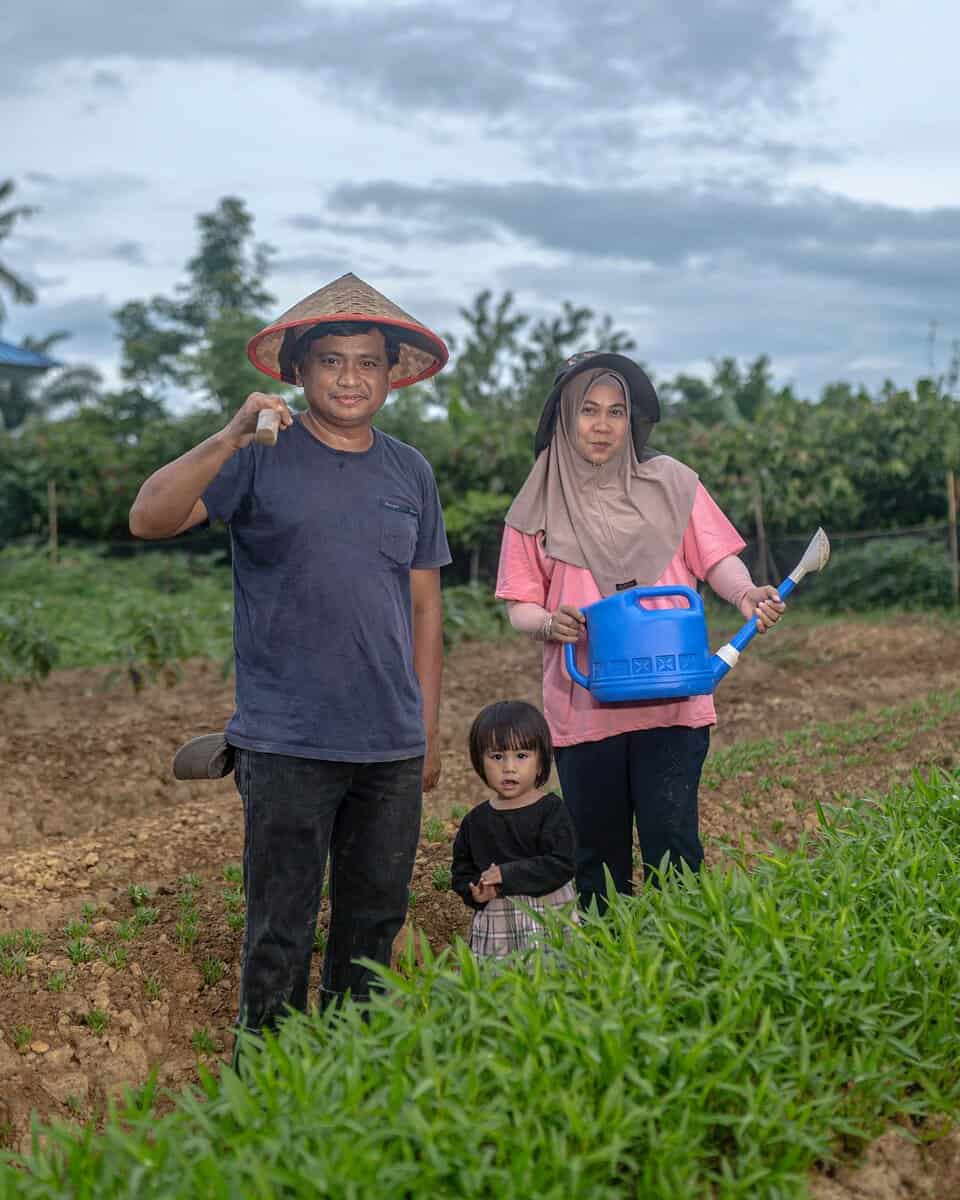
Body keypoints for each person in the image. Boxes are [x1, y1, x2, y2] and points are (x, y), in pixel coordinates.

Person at [129, 272, 452, 1036]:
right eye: (332, 360)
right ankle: (268, 1101)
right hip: (287, 743)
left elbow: (425, 608)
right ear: (299, 372)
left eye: (367, 362)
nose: (350, 376)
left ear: (391, 374)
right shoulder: (256, 455)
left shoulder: (411, 472)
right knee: (280, 932)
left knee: (373, 930)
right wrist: (229, 435)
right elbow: (149, 517)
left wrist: (427, 732)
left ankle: (348, 1087)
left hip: (389, 747)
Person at [494, 351, 785, 912]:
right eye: (588, 411)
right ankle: (611, 982)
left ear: (634, 421)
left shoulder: (673, 483)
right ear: (562, 417)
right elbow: (520, 605)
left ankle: (682, 971)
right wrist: (549, 623)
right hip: (585, 706)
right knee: (596, 860)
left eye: (617, 412)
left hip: (673, 701)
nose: (602, 426)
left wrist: (747, 593)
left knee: (674, 847)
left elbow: (716, 558)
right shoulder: (536, 503)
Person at [451, 700, 578, 957]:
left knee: (554, 981)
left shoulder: (551, 810)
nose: (509, 767)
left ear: (541, 762)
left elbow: (562, 863)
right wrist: (476, 892)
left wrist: (505, 875)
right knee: (498, 987)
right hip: (497, 922)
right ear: (479, 761)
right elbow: (462, 873)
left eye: (521, 756)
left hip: (549, 914)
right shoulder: (475, 822)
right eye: (497, 757)